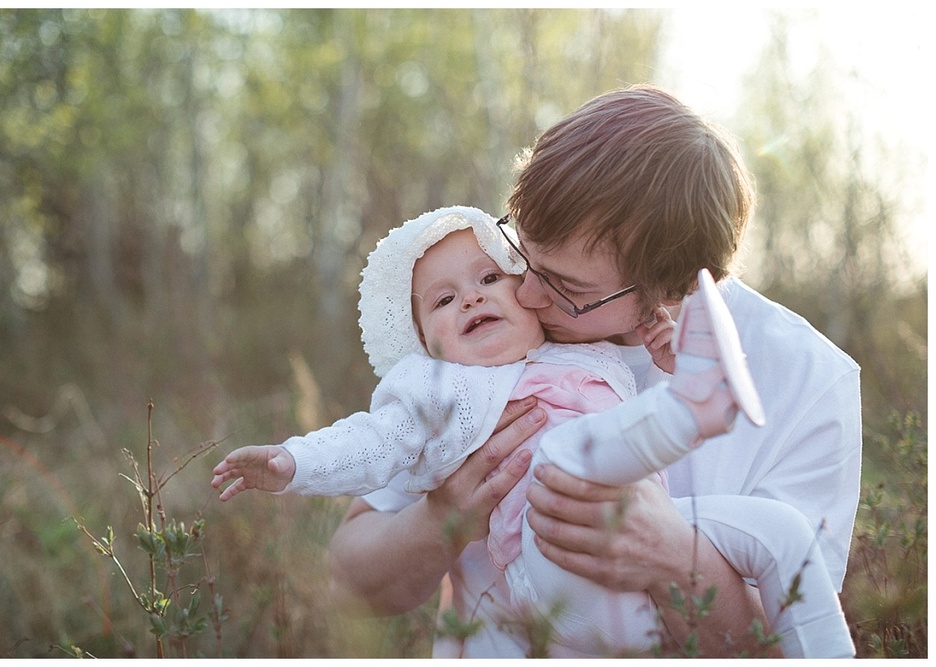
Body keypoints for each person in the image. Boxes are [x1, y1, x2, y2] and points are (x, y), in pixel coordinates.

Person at [327, 86, 862, 658]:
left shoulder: (807, 380)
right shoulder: (484, 325)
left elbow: (789, 648)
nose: (526, 294)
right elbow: (348, 584)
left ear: (671, 291)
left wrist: (675, 562)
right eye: (521, 253)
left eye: (566, 287)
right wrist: (444, 517)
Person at [212, 206, 853, 657]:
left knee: (779, 532)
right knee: (565, 457)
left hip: (642, 584)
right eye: (443, 300)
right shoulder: (440, 390)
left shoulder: (587, 356)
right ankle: (690, 413)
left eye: (492, 279)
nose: (475, 298)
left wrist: (673, 551)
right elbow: (369, 447)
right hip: (549, 565)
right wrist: (295, 464)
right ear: (421, 342)